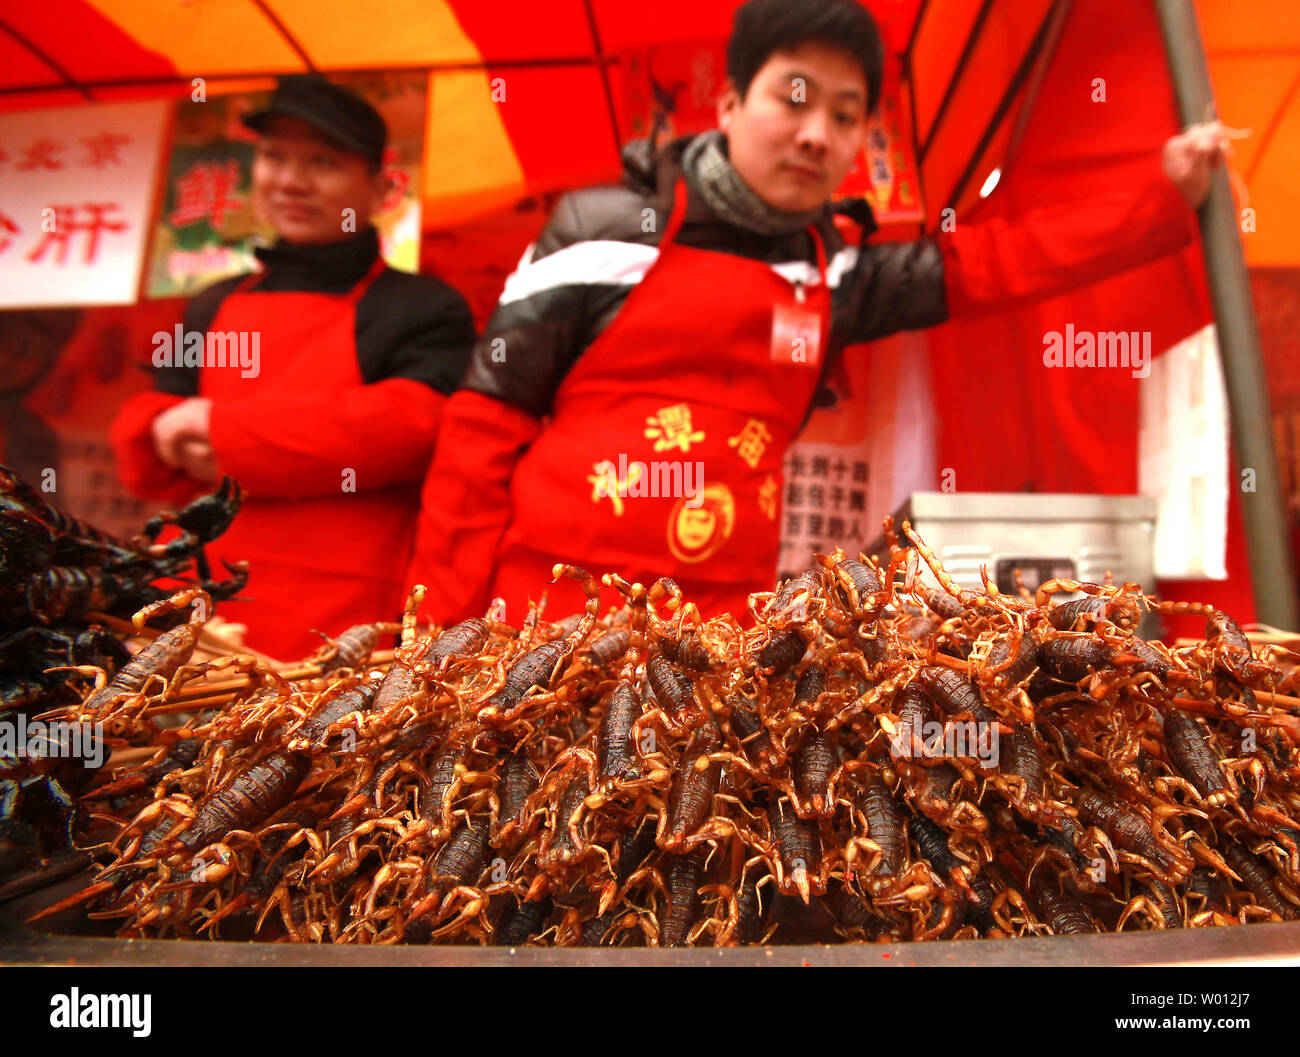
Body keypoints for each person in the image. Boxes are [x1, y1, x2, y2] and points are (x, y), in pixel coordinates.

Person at [411, 0, 1230, 625]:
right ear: (729, 104)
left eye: (844, 115)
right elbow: (482, 427)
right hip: (546, 617)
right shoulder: (598, 230)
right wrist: (439, 640)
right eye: (793, 100)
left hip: (720, 632)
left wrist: (1160, 201)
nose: (815, 133)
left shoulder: (835, 272)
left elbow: (991, 265)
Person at [112, 75, 475, 658]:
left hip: (342, 607)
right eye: (274, 157)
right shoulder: (213, 301)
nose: (289, 181)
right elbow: (161, 411)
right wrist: (158, 426)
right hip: (203, 600)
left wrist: (227, 434)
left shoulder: (423, 305)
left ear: (380, 188)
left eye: (321, 162)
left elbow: (416, 427)